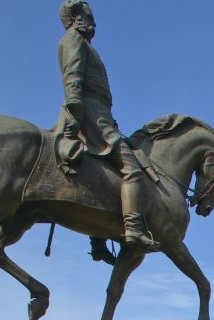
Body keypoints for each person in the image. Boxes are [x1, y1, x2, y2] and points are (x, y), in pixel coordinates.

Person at [57, 0, 157, 259]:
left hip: (99, 114)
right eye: (88, 15)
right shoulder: (74, 39)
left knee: (102, 175)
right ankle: (134, 229)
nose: (93, 22)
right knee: (132, 170)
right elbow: (73, 80)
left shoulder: (85, 44)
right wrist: (76, 119)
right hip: (90, 114)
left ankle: (98, 243)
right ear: (75, 18)